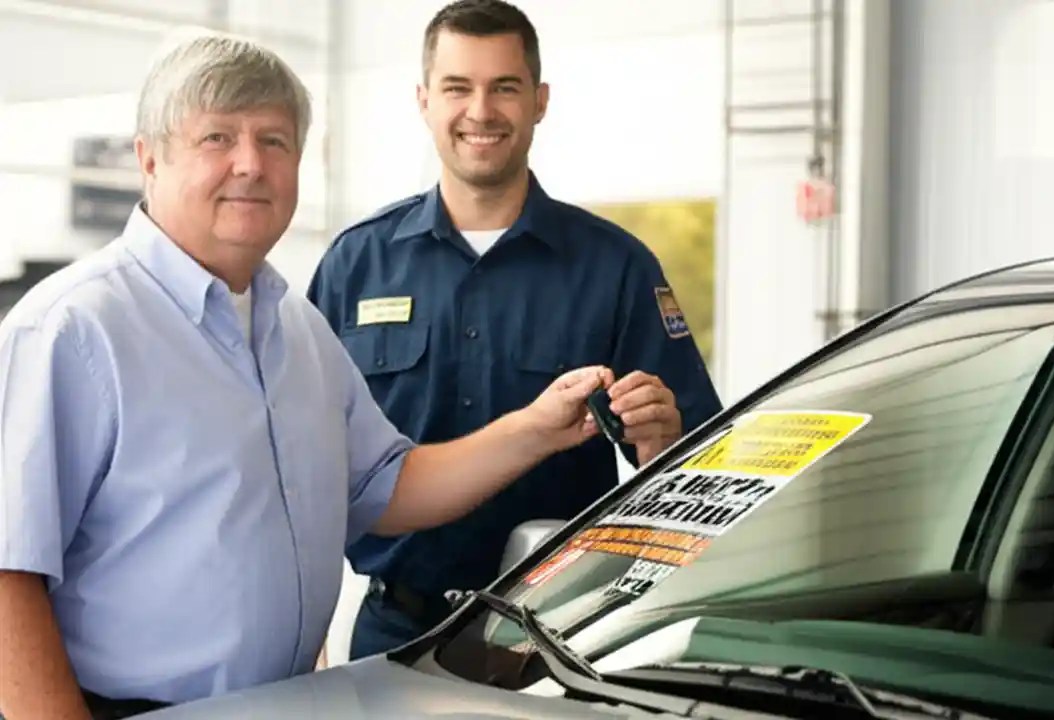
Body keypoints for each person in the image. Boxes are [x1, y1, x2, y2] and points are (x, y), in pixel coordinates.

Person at [0, 33, 617, 720]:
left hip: (289, 703)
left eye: (275, 140)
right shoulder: (73, 329)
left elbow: (387, 487)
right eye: (217, 138)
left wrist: (535, 429)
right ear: (149, 157)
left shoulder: (298, 327)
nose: (250, 165)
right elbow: (7, 571)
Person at [306, 0, 723, 660]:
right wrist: (307, 642)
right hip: (393, 633)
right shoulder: (355, 265)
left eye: (504, 87)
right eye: (457, 87)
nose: (481, 111)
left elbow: (697, 469)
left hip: (563, 638)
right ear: (423, 100)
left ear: (539, 100)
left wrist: (662, 440)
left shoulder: (615, 267)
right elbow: (308, 472)